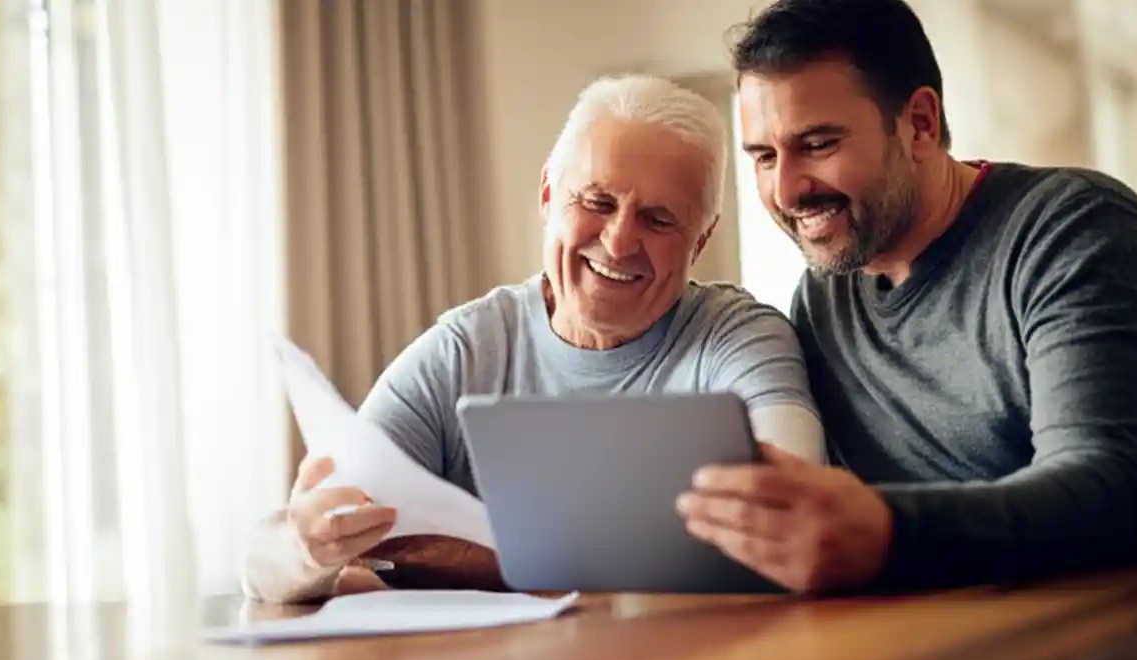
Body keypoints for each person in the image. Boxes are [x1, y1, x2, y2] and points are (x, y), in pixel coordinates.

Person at [677, 0, 1137, 594]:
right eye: (765, 157)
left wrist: (888, 533)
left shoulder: (1074, 231)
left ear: (920, 124)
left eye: (819, 144)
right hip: (968, 633)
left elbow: (1108, 495)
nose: (787, 189)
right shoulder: (825, 299)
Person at [244, 75, 826, 603]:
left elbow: (799, 508)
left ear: (700, 242)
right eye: (596, 202)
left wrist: (477, 562)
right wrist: (308, 548)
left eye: (658, 220)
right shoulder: (461, 350)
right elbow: (264, 566)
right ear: (549, 195)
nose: (620, 242)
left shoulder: (741, 338)